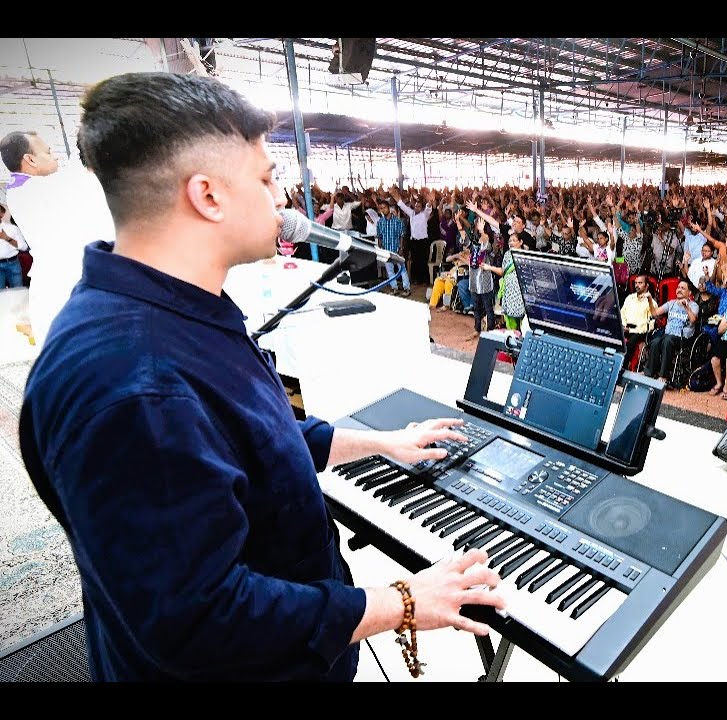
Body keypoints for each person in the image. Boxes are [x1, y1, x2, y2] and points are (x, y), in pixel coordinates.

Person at [17, 73, 504, 681]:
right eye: (268, 178)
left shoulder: (173, 314)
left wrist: (379, 444)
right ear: (208, 196)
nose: (282, 199)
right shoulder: (135, 385)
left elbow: (252, 443)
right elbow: (201, 619)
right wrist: (401, 603)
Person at [1, 130, 116, 346]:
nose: (55, 157)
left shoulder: (27, 190)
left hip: (64, 294)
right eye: (48, 152)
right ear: (30, 159)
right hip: (67, 293)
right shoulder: (33, 191)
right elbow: (83, 170)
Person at [643, 277, 699, 387]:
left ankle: (663, 376)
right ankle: (649, 373)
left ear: (689, 292)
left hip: (683, 338)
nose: (679, 290)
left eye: (683, 288)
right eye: (678, 287)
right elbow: (655, 313)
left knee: (667, 340)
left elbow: (693, 321)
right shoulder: (671, 303)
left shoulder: (694, 306)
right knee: (655, 341)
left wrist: (686, 307)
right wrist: (650, 299)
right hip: (668, 335)